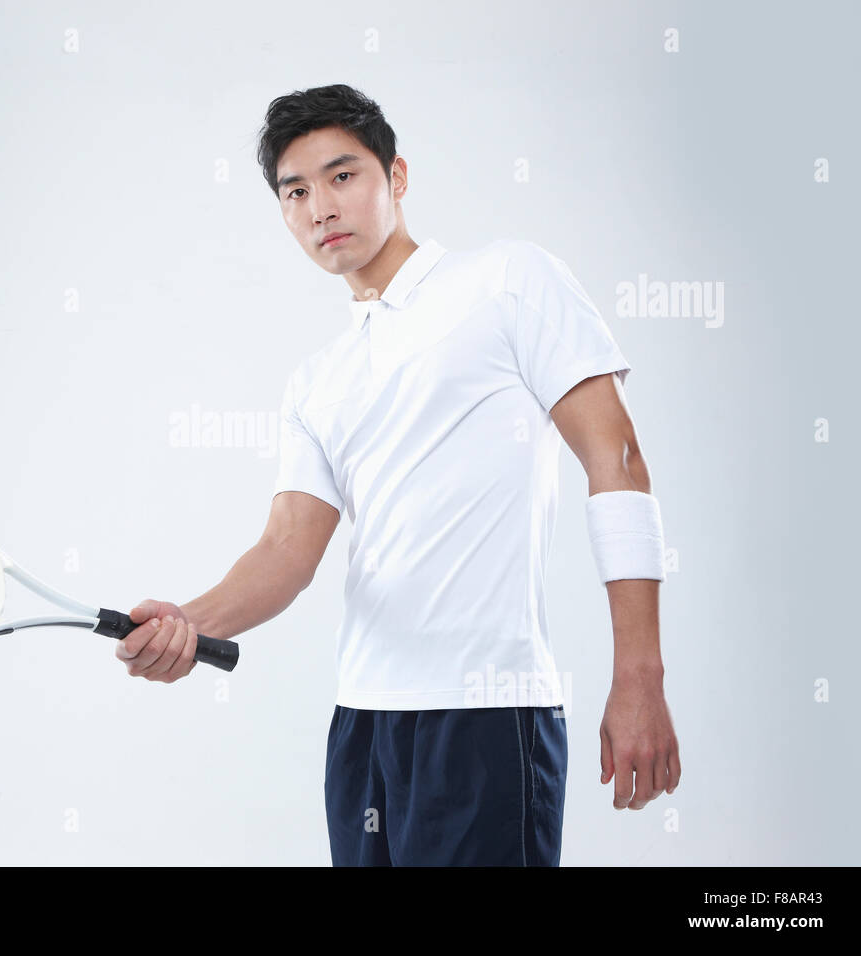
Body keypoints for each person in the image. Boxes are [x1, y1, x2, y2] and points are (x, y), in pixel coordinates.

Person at [114, 83, 680, 866]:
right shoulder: (319, 380)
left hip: (486, 717)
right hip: (364, 726)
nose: (321, 207)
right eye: (297, 191)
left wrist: (640, 676)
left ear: (397, 177)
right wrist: (189, 622)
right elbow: (285, 550)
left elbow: (618, 462)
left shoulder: (509, 281)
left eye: (343, 176)